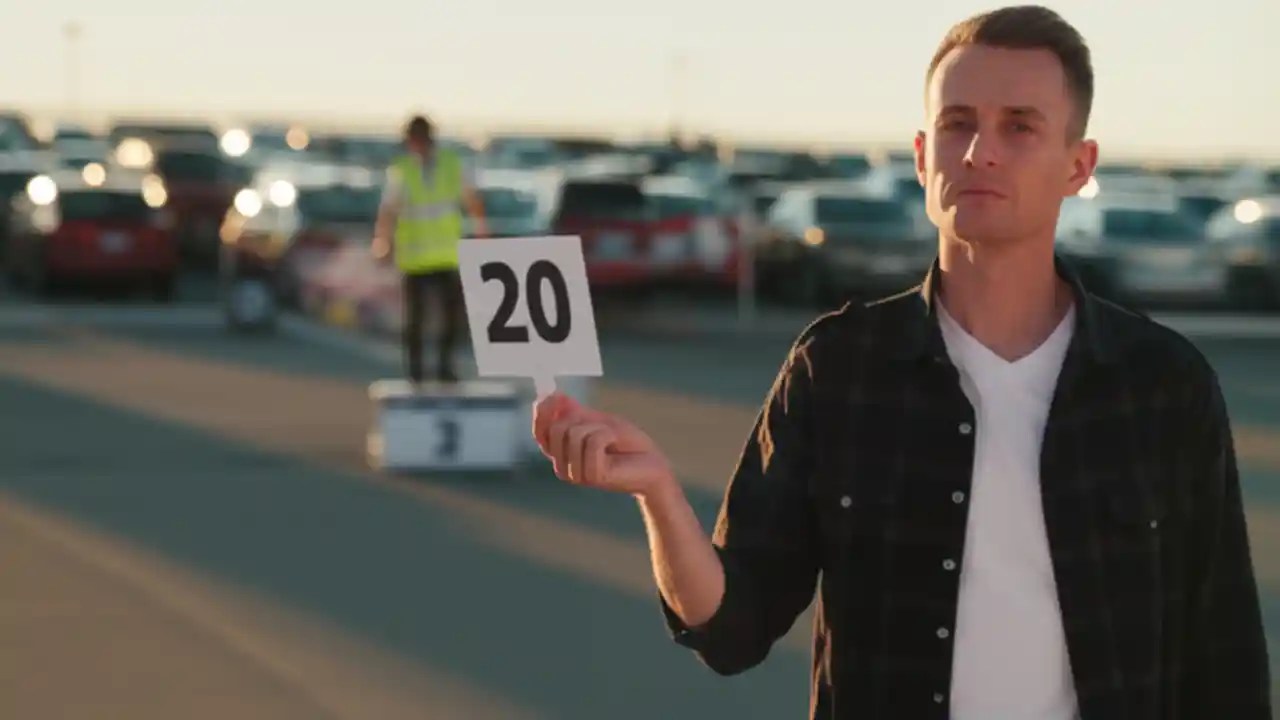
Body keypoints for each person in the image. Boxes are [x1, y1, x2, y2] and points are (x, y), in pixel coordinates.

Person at [532, 5, 1271, 719]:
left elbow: (1225, 659)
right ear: (922, 157)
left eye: (1019, 127)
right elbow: (733, 629)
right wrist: (658, 494)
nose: (980, 150)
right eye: (959, 124)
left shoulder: (1161, 386)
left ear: (1079, 166)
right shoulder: (838, 369)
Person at [373, 114, 487, 384]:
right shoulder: (402, 170)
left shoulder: (450, 164)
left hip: (446, 256)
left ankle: (445, 368)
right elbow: (388, 210)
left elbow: (470, 199)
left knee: (450, 318)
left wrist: (482, 229)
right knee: (416, 320)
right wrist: (382, 241)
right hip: (414, 259)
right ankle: (416, 372)